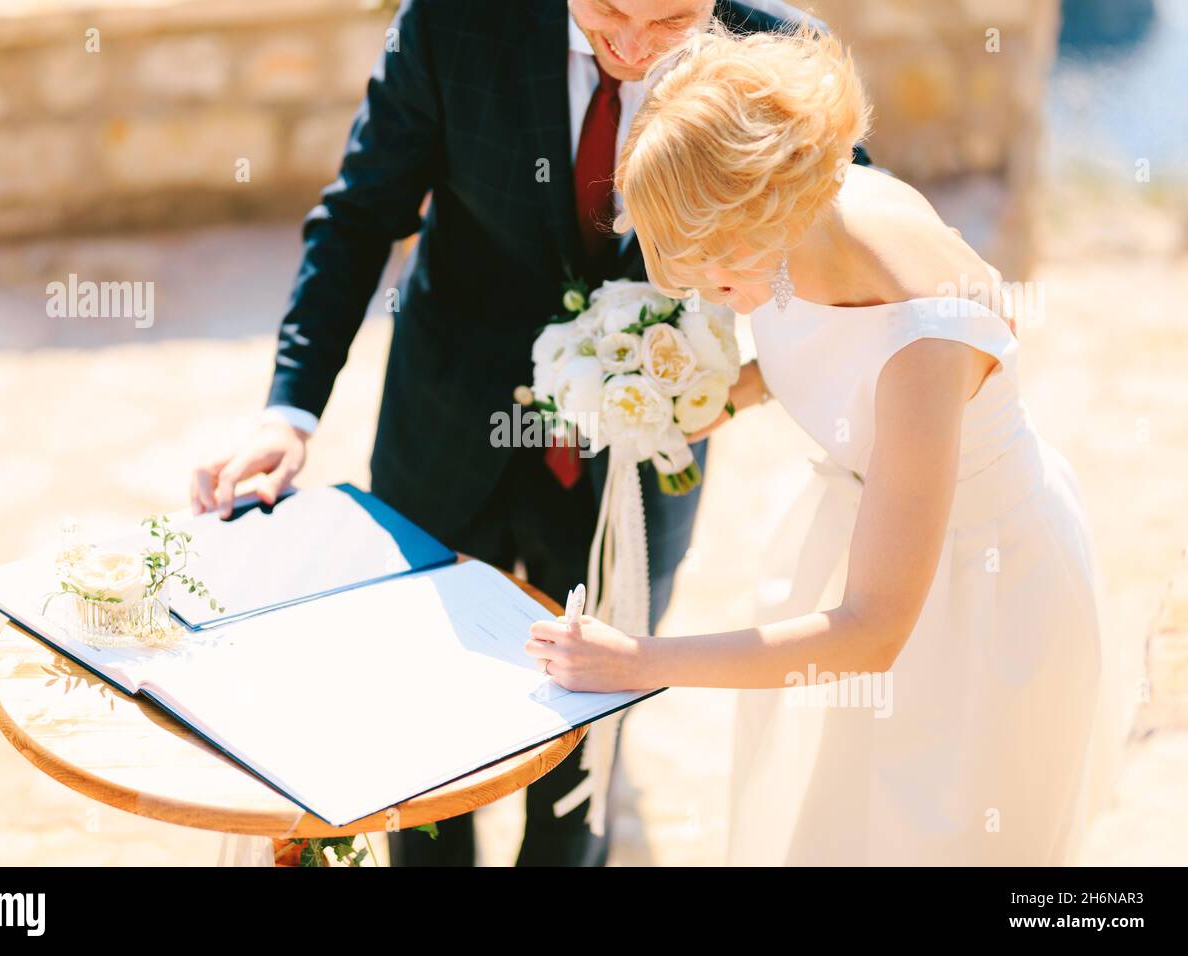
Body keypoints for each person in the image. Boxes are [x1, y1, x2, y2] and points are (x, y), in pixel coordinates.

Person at [189, 1, 850, 866]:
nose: (633, 46)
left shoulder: (781, 55)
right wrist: (291, 408)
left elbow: (833, 254)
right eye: (611, 8)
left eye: (674, 18)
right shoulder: (455, 19)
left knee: (586, 745)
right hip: (449, 423)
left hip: (635, 465)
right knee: (422, 726)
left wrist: (730, 392)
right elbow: (360, 212)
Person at [526, 26, 1120, 864]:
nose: (722, 303)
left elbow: (874, 632)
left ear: (766, 212)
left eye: (721, 279)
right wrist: (726, 396)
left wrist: (639, 662)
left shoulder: (925, 345)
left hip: (976, 603)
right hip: (874, 546)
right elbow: (842, 342)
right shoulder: (810, 208)